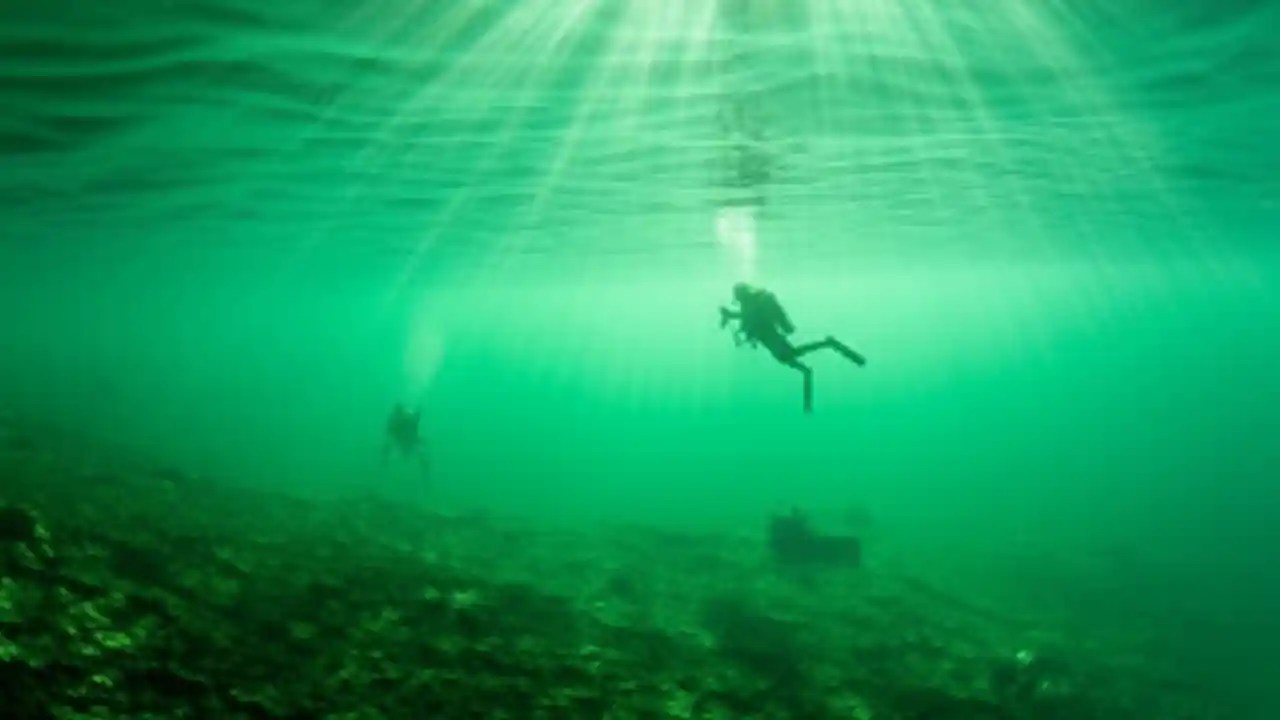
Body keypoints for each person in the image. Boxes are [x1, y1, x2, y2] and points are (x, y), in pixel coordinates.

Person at [719, 282, 865, 413]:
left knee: (797, 361)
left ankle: (830, 344)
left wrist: (730, 316)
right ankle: (808, 402)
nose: (737, 300)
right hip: (777, 347)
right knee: (800, 366)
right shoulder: (751, 306)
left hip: (778, 347)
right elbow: (745, 317)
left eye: (738, 296)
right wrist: (729, 316)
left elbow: (748, 318)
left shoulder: (752, 307)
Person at [383, 403, 429, 478]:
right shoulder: (398, 418)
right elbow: (390, 432)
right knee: (420, 451)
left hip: (407, 439)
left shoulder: (404, 415)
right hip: (405, 439)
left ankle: (383, 464)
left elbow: (390, 432)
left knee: (421, 452)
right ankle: (383, 465)